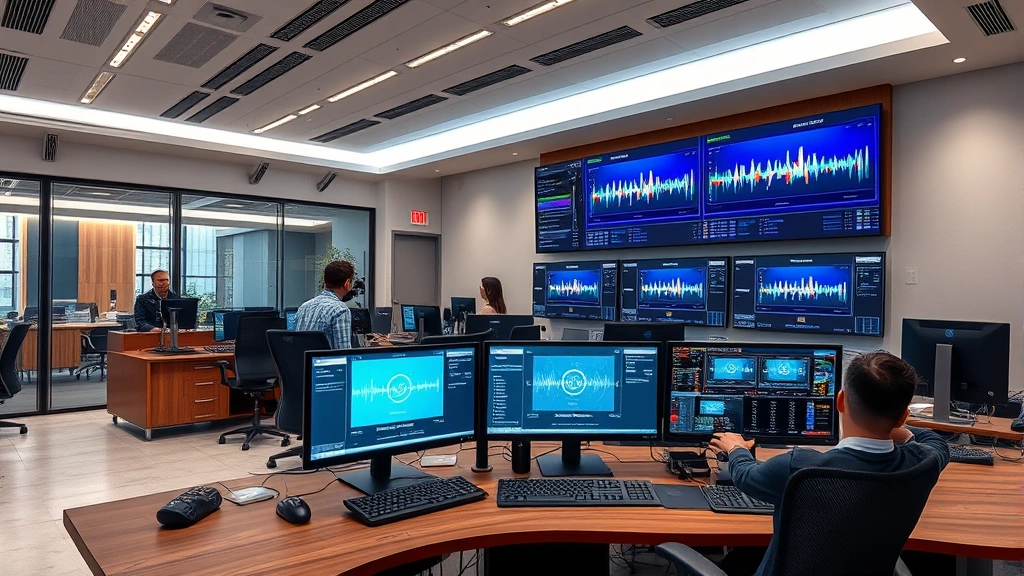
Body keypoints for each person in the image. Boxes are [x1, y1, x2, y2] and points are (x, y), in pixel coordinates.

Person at [709, 352, 950, 576]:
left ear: (841, 401)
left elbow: (745, 476)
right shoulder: (923, 464)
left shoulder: (801, 467)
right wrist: (896, 427)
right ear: (903, 416)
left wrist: (736, 448)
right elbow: (937, 443)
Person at [295, 260, 354, 349]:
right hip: (326, 362)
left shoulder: (304, 307)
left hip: (303, 362)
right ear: (347, 283)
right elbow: (343, 352)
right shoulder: (340, 310)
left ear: (325, 282)